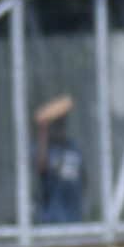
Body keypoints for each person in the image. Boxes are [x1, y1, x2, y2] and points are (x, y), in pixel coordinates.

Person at [34, 94, 86, 225]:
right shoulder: (46, 151)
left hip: (74, 217)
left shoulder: (73, 148)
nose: (59, 129)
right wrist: (43, 128)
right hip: (53, 219)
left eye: (61, 125)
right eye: (55, 126)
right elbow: (42, 166)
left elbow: (83, 178)